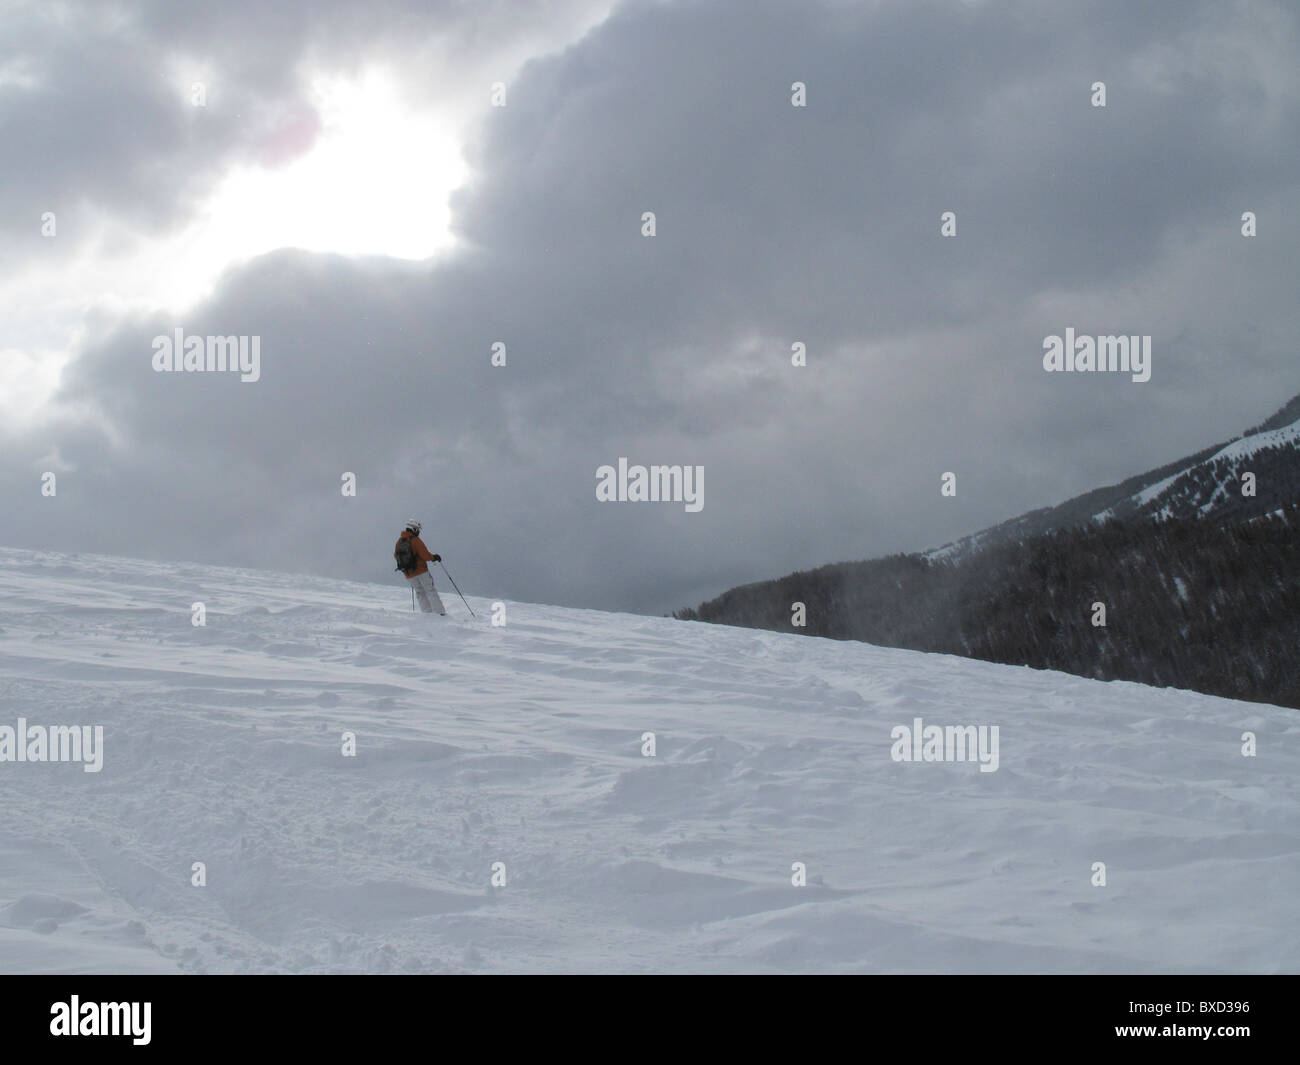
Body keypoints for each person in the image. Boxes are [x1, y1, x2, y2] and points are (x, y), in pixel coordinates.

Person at [396, 519, 445, 615]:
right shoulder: (415, 540)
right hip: (421, 571)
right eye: (417, 529)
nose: (418, 532)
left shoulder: (399, 542)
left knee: (419, 592)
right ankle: (440, 613)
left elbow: (395, 555)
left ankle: (427, 613)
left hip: (409, 573)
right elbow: (425, 555)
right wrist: (434, 557)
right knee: (430, 591)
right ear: (413, 529)